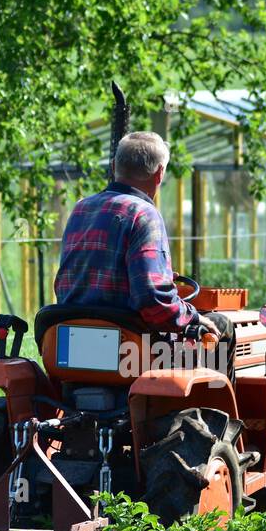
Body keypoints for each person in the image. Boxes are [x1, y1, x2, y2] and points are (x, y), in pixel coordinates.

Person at [54, 131, 234, 377]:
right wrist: (193, 317)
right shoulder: (143, 213)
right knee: (222, 327)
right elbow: (152, 300)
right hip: (127, 345)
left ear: (115, 165)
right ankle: (220, 408)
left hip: (70, 337)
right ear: (160, 173)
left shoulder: (81, 208)